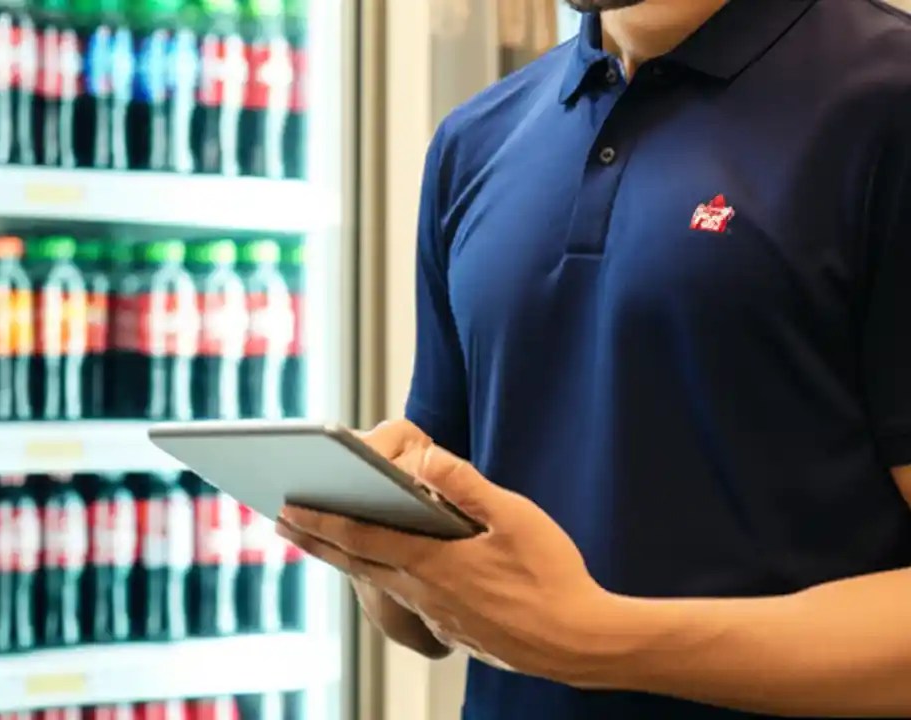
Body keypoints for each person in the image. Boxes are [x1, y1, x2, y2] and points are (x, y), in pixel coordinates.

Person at [275, 0, 911, 719]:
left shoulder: (886, 100)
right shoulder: (474, 141)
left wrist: (593, 638)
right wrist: (372, 543)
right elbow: (427, 623)